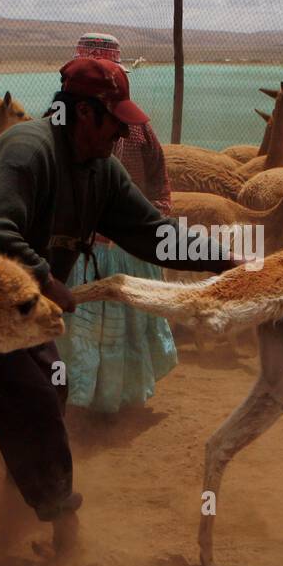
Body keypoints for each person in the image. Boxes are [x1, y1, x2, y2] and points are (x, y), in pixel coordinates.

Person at [0, 53, 232, 556]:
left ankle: (15, 492)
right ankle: (63, 526)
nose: (121, 136)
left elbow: (152, 234)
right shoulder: (29, 149)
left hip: (19, 305)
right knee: (36, 392)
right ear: (84, 113)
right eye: (115, 122)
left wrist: (221, 262)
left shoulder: (98, 170)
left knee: (52, 385)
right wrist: (47, 277)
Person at [55, 34, 178, 414]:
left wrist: (148, 216)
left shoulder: (134, 130)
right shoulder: (62, 130)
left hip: (117, 250)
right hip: (92, 249)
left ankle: (110, 397)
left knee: (108, 329)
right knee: (90, 330)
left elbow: (159, 179)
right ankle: (89, 398)